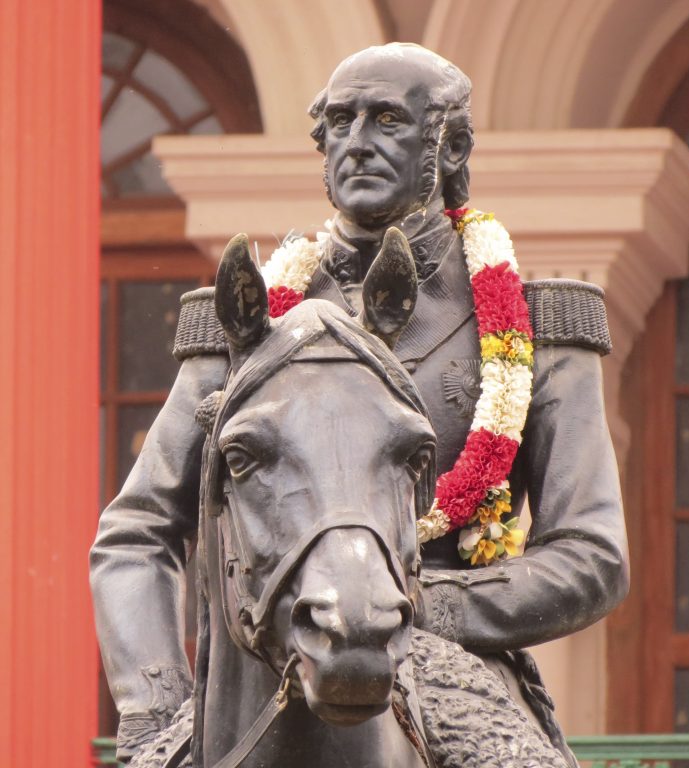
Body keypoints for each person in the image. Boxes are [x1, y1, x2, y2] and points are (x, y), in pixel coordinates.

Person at [91, 42, 629, 764]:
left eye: (386, 121)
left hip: (451, 670)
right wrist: (155, 709)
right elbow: (137, 532)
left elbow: (592, 555)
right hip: (264, 665)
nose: (357, 144)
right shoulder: (245, 324)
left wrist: (402, 606)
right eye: (339, 124)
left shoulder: (540, 326)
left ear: (452, 145)